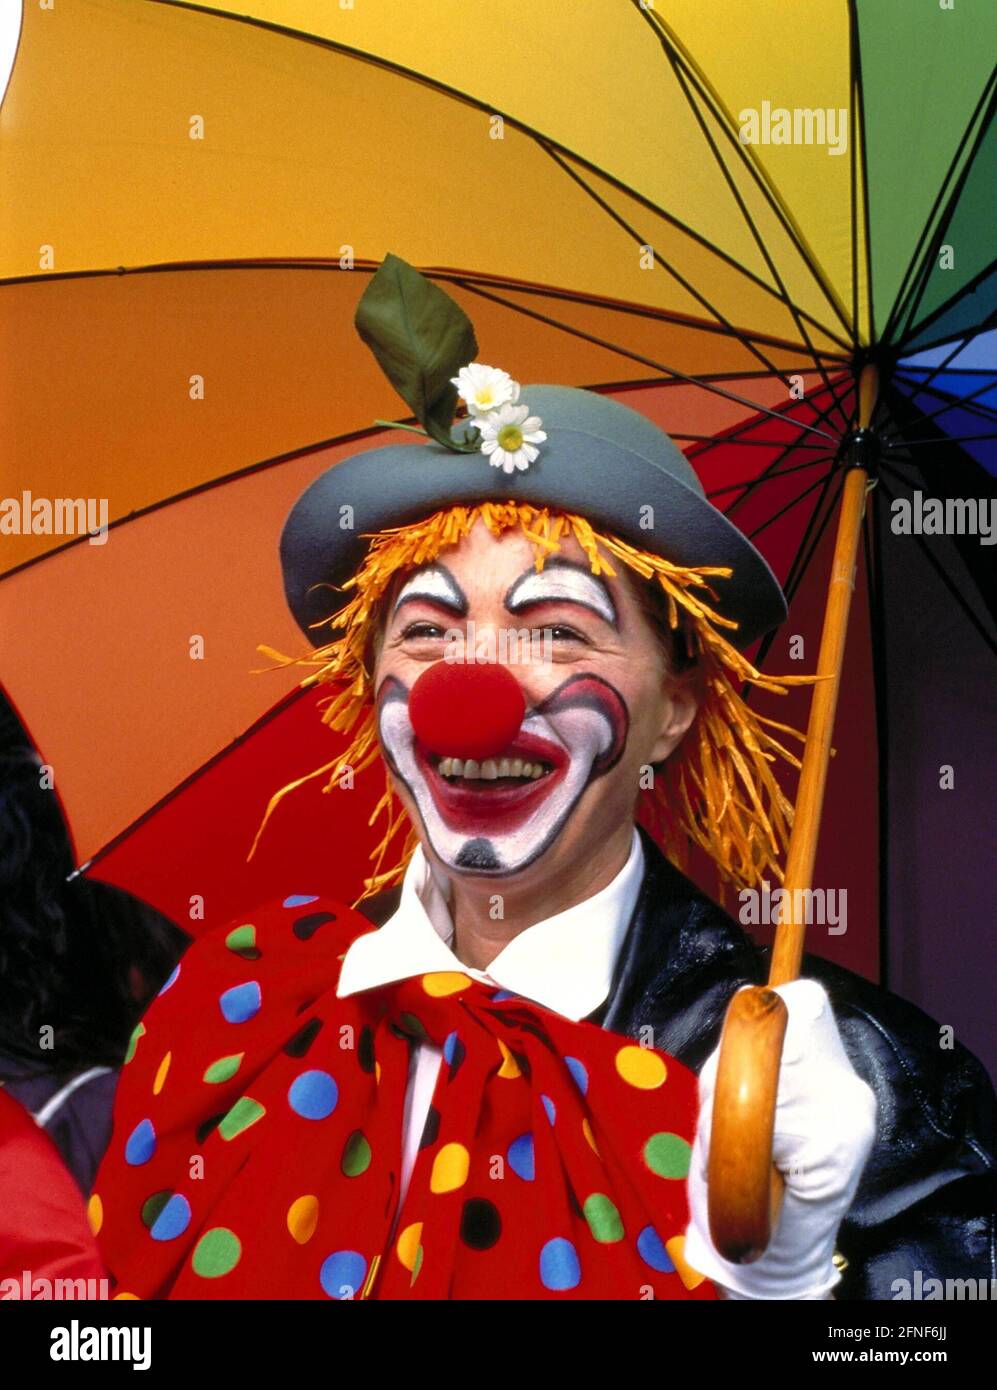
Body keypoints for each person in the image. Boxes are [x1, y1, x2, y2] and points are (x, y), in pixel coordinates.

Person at [92, 256, 994, 1301]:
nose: (470, 691)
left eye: (557, 629)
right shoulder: (242, 1007)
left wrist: (796, 1278)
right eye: (426, 629)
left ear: (673, 711)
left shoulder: (856, 1089)